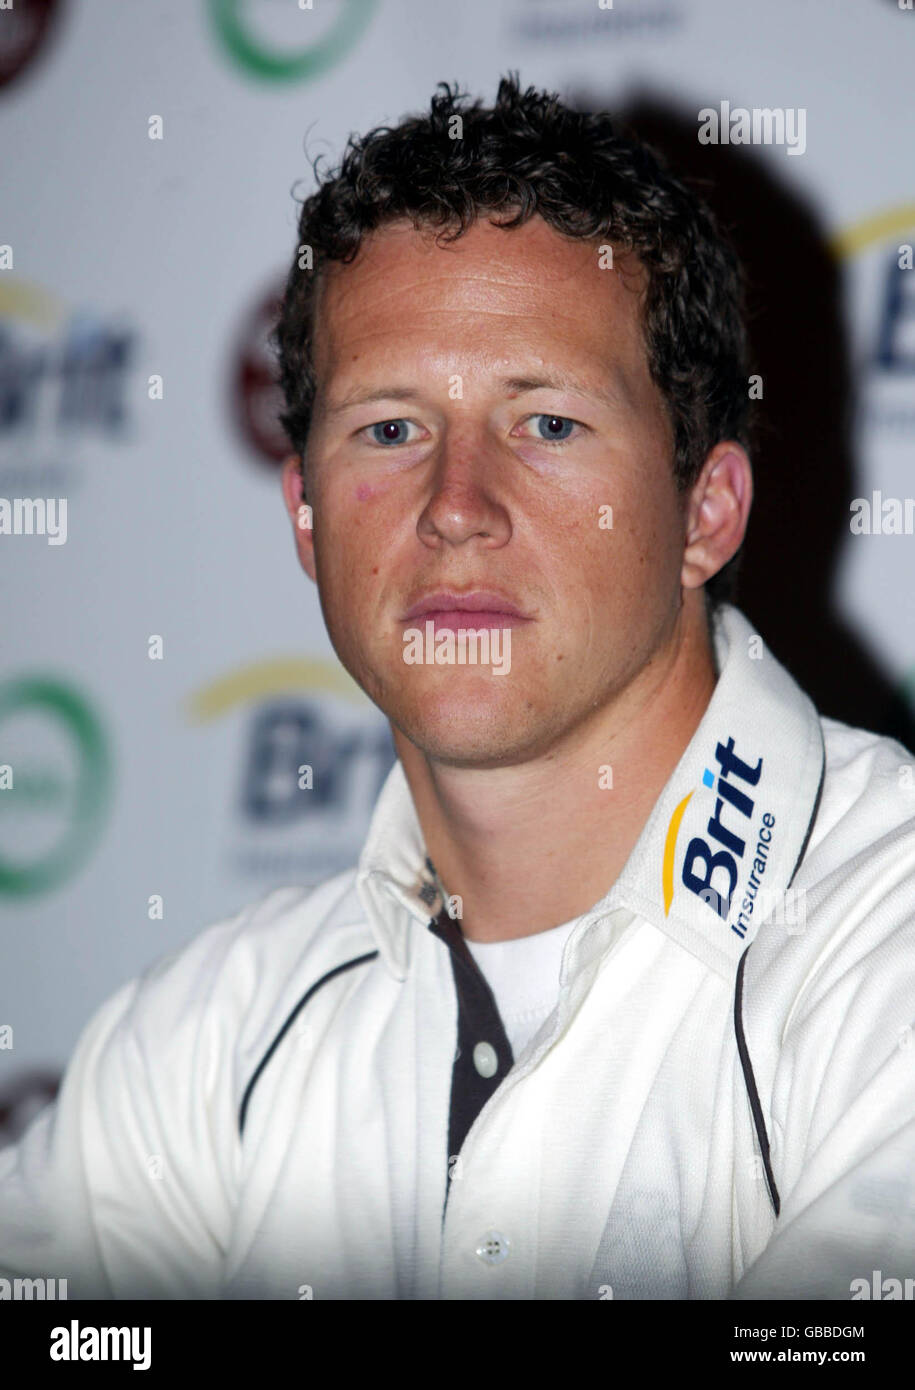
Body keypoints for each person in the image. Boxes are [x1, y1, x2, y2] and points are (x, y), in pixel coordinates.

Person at [2, 74, 913, 1302]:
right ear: (308, 517)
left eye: (545, 424)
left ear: (707, 510)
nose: (455, 509)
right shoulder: (204, 1043)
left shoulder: (882, 949)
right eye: (389, 429)